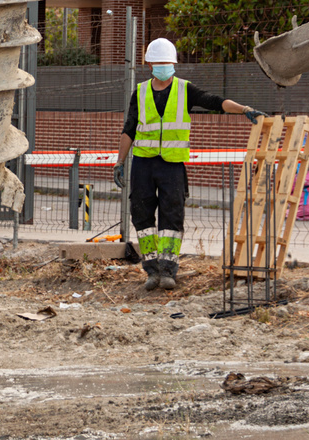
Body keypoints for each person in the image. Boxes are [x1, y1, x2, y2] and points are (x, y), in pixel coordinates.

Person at [113, 37, 268, 292]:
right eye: (159, 63)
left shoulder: (185, 89)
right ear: (150, 64)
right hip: (143, 163)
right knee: (141, 214)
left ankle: (168, 270)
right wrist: (120, 162)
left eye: (168, 63)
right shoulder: (139, 92)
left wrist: (244, 109)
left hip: (172, 165)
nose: (164, 67)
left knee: (172, 216)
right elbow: (129, 128)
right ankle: (151, 270)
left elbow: (214, 101)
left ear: (173, 64)